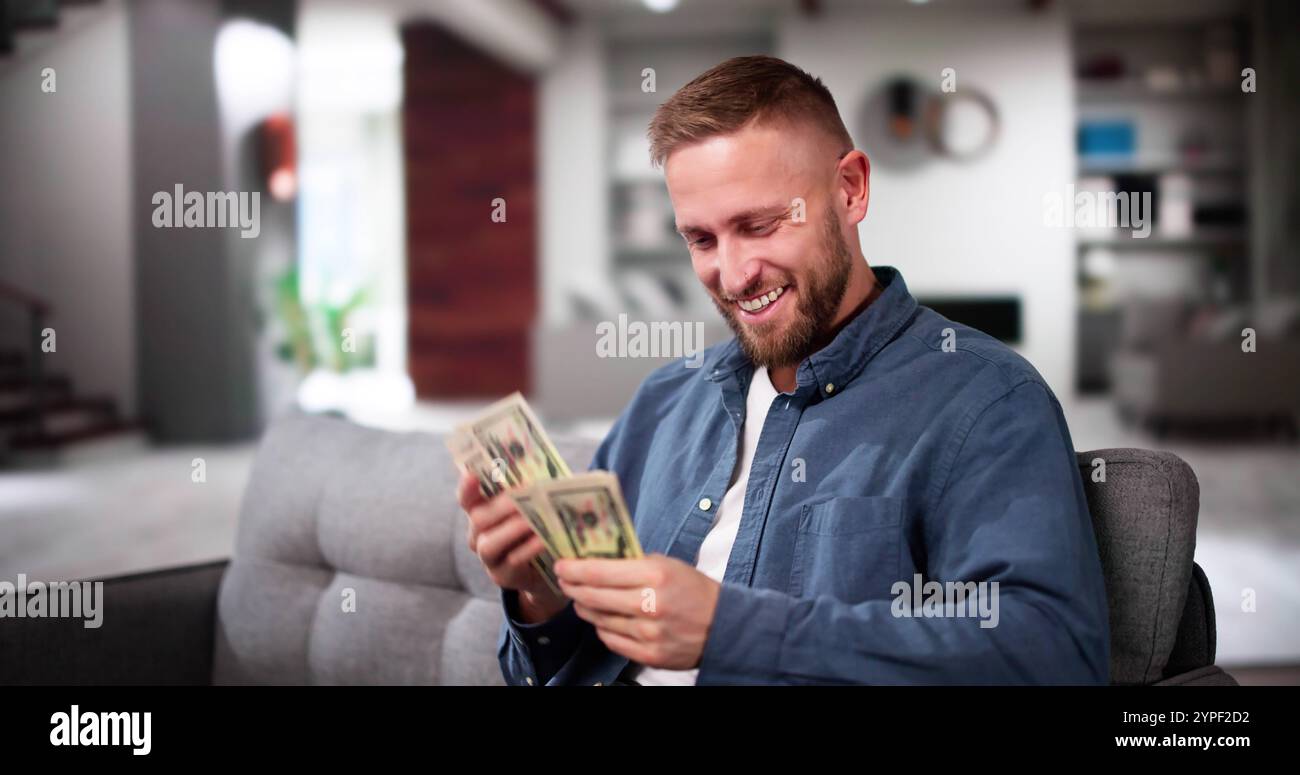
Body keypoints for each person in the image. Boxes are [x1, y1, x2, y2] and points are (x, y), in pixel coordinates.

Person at [457, 55, 1110, 685]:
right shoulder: (666, 398)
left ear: (850, 189)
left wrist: (730, 629)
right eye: (702, 240)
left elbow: (1051, 653)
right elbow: (545, 666)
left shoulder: (986, 399)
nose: (734, 275)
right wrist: (538, 595)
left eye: (761, 225)